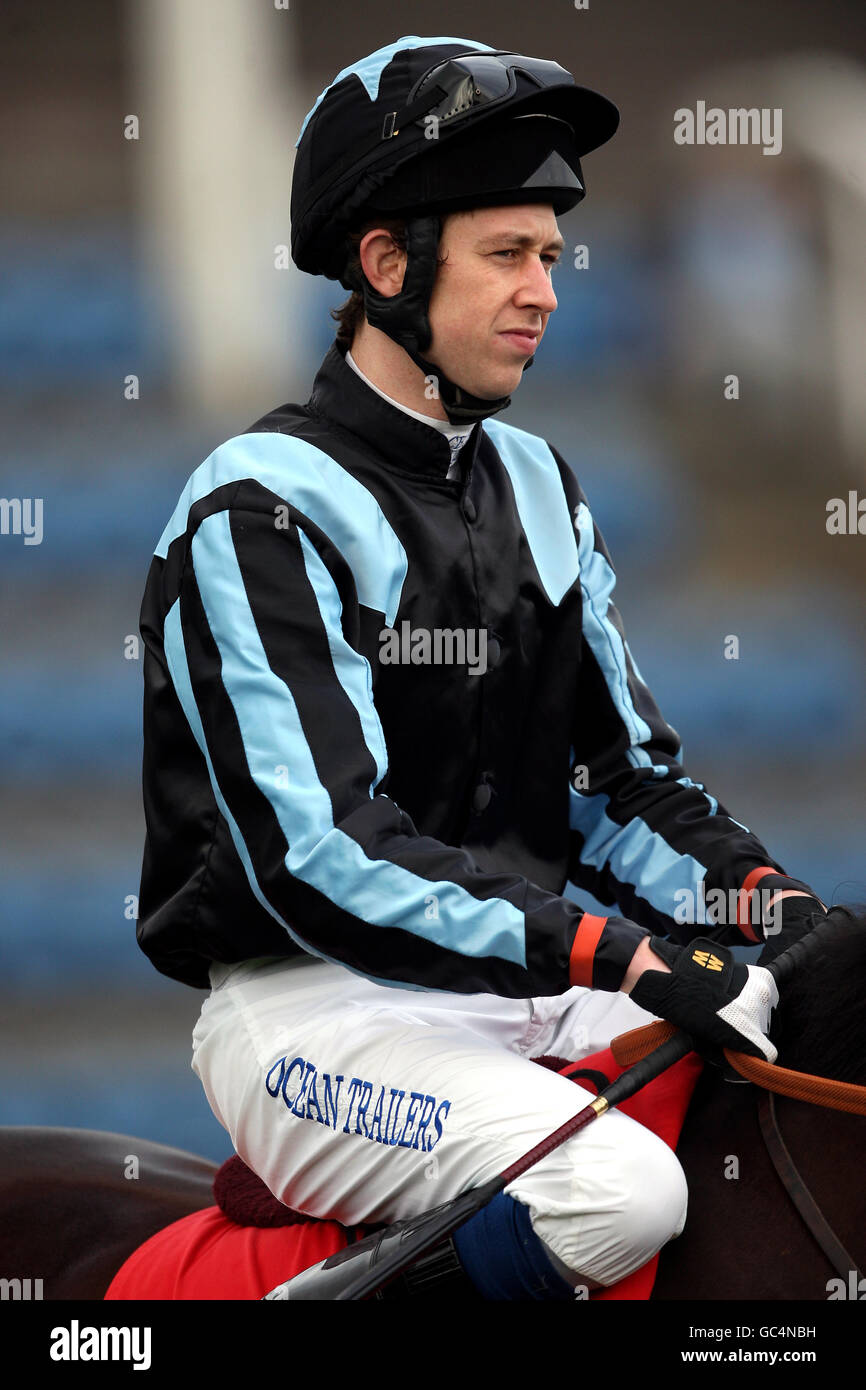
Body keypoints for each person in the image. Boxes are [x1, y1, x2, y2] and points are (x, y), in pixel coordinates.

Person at [137, 36, 827, 1300]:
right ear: (385, 266)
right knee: (620, 1192)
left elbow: (614, 781)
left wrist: (761, 901)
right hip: (312, 1012)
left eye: (551, 258)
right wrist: (609, 953)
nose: (544, 292)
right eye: (505, 255)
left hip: (523, 990)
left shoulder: (540, 486)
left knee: (799, 1062)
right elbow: (322, 853)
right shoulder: (257, 507)